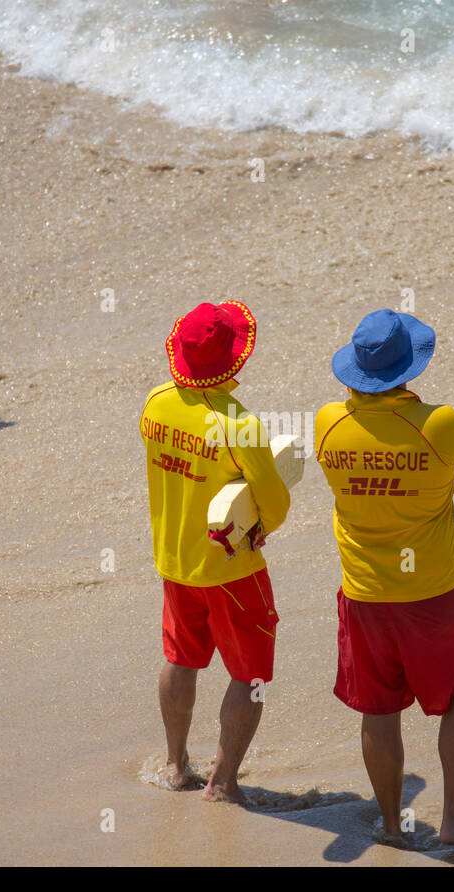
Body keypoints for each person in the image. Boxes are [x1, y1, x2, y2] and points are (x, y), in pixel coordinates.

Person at [314, 309, 454, 849]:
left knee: (380, 709)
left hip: (364, 594)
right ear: (409, 367)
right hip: (434, 592)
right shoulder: (440, 422)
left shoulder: (328, 420)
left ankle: (394, 826)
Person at [140, 301, 290, 804]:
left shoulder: (156, 403)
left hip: (175, 561)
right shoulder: (240, 424)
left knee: (180, 659)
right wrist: (261, 522)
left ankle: (175, 764)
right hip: (230, 568)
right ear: (235, 360)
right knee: (249, 677)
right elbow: (275, 502)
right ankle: (222, 783)